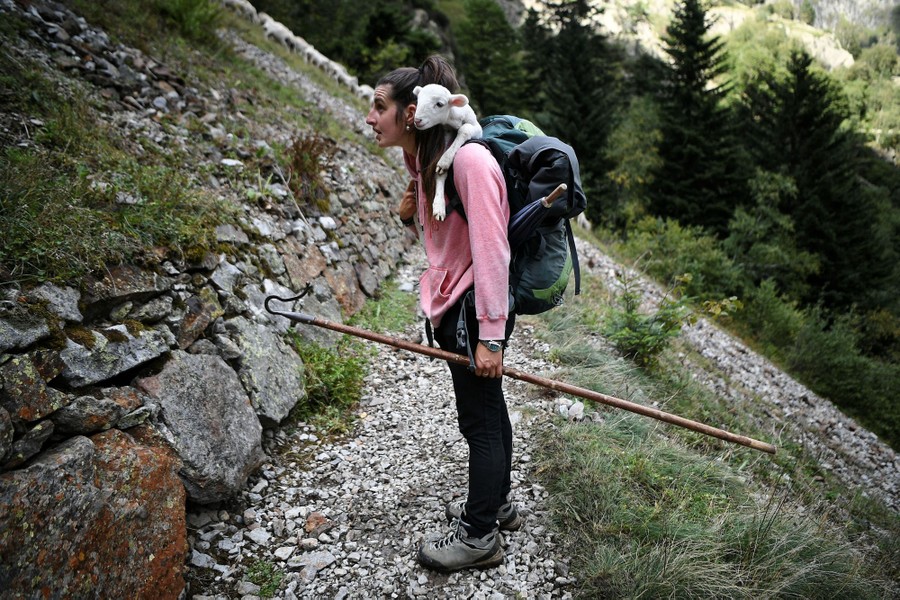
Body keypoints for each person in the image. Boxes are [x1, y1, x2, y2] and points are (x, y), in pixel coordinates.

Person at [365, 55, 523, 573]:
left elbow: (493, 249)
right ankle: (497, 505)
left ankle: (479, 537)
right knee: (487, 410)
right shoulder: (426, 163)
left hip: (475, 308)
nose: (370, 116)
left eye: (379, 106)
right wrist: (411, 206)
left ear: (411, 114)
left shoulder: (470, 163)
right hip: (457, 303)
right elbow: (446, 236)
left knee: (479, 420)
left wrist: (492, 337)